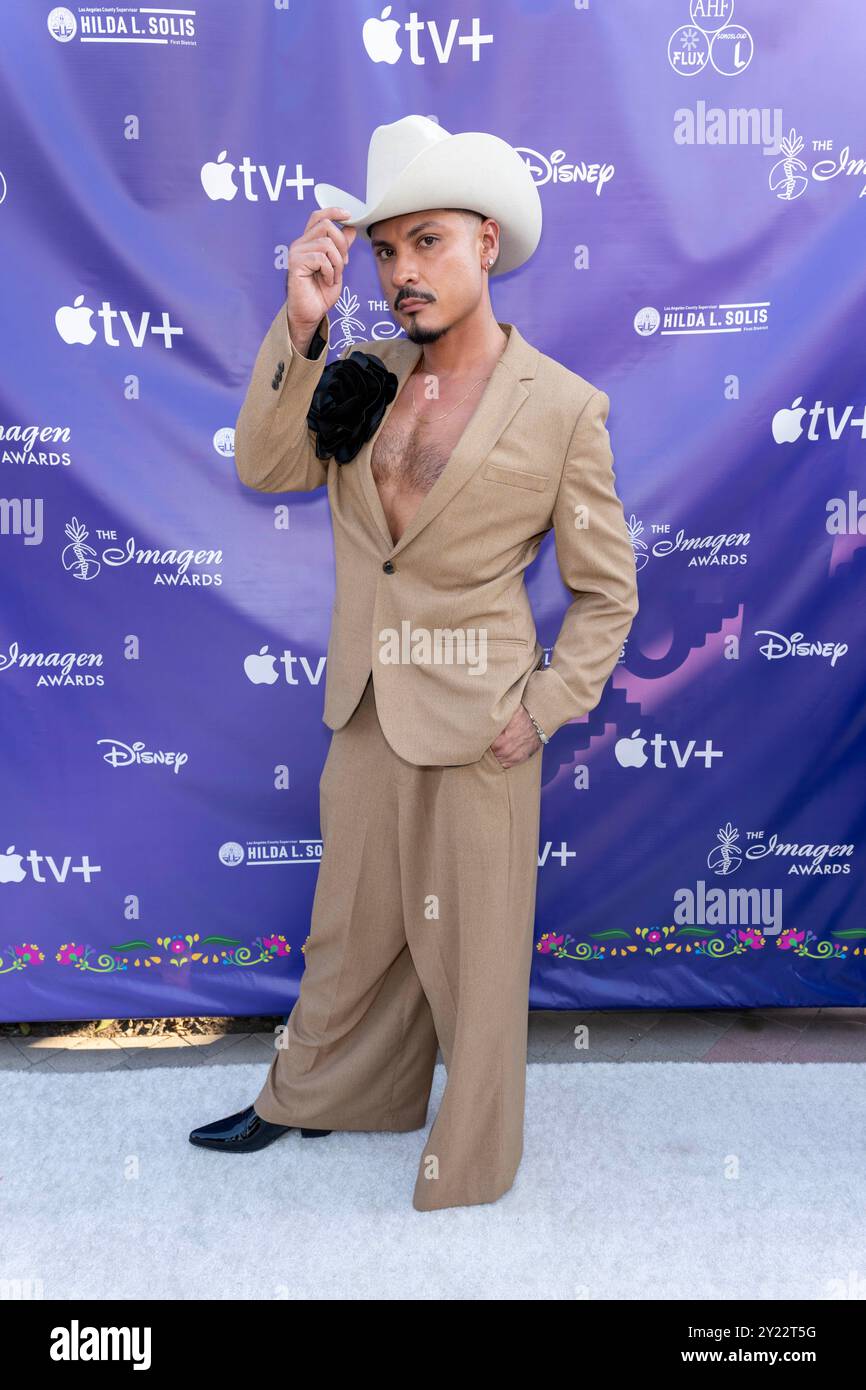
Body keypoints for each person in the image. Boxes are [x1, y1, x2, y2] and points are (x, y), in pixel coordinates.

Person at [189, 115, 639, 1211]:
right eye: (384, 251)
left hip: (484, 721)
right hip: (365, 707)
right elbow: (265, 462)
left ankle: (471, 1159)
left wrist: (543, 705)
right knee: (350, 930)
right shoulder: (362, 375)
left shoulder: (565, 409)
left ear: (486, 243)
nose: (402, 273)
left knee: (477, 962)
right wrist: (300, 326)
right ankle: (318, 1096)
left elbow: (604, 589)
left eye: (426, 243)